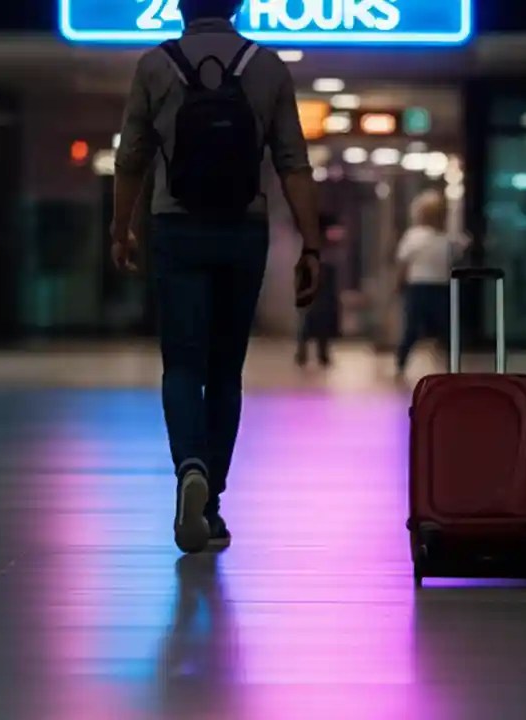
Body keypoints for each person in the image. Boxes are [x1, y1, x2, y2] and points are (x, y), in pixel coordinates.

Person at [110, 0, 323, 554]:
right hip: (242, 231)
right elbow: (292, 162)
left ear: (181, 7)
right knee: (226, 372)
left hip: (176, 229)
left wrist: (120, 228)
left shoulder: (155, 65)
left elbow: (130, 157)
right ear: (237, 6)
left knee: (182, 365)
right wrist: (312, 244)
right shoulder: (267, 65)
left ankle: (190, 468)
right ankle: (212, 506)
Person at [394, 190, 470, 376]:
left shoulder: (414, 236)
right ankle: (452, 364)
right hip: (439, 286)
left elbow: (403, 264)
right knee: (446, 328)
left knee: (412, 328)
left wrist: (398, 284)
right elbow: (462, 250)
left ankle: (401, 363)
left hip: (418, 286)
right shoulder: (448, 239)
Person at [295, 215, 344, 368]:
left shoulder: (321, 246)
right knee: (314, 316)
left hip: (319, 283)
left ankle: (313, 352)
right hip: (317, 281)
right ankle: (310, 352)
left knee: (318, 317)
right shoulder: (319, 247)